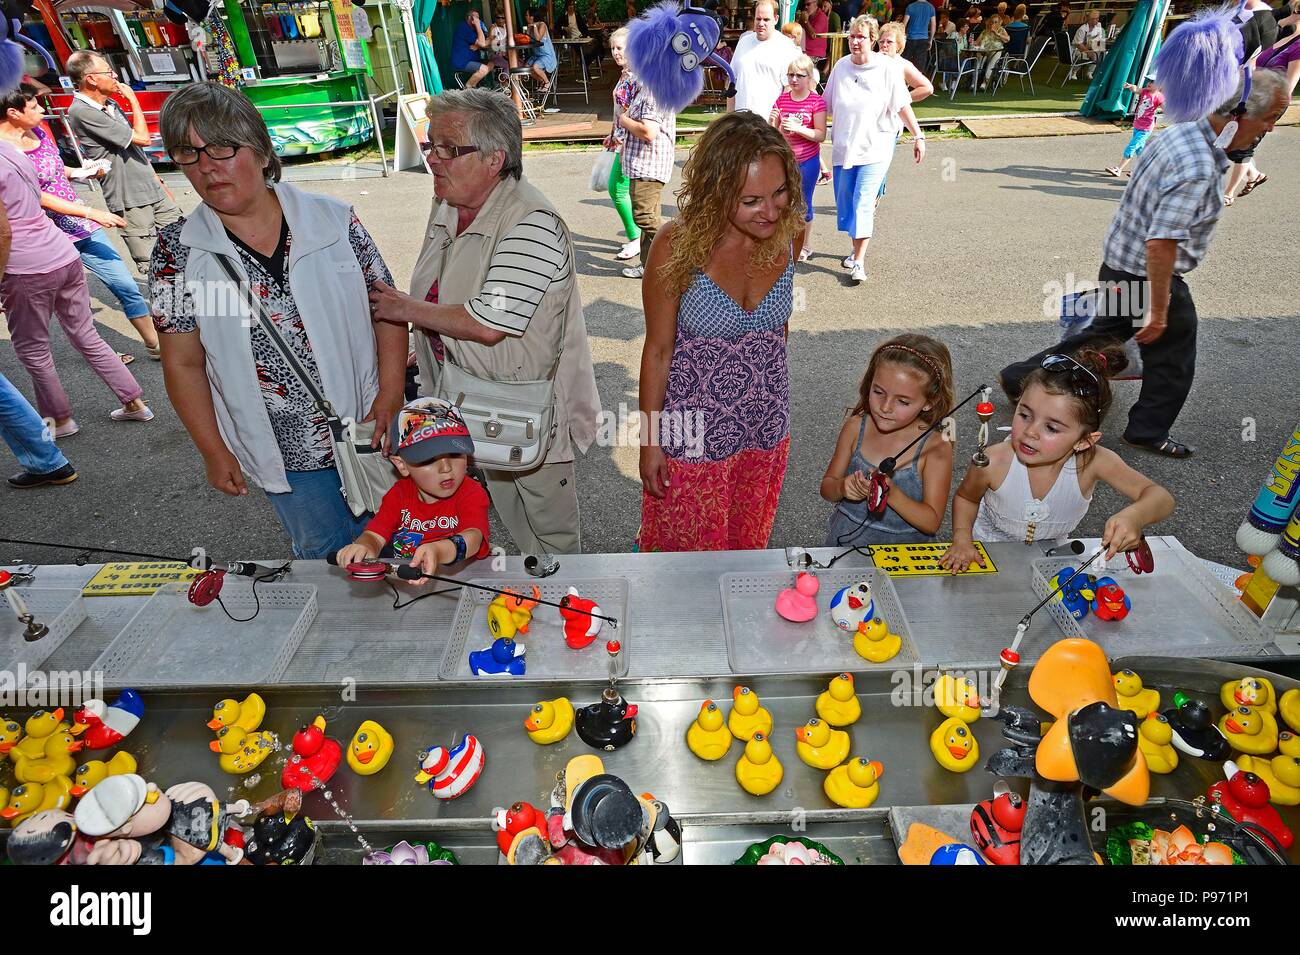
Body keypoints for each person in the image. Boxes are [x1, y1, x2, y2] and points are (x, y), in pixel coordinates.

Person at [149, 82, 406, 559]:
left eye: (222, 147)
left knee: (401, 546)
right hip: (285, 455)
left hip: (369, 427)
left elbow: (387, 310)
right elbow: (182, 363)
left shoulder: (334, 222)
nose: (206, 166)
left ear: (263, 151)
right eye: (188, 153)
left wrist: (391, 395)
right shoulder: (177, 252)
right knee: (328, 563)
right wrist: (212, 449)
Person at [999, 70, 1290, 459]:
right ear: (1239, 114)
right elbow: (1162, 241)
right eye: (1271, 117)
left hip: (1121, 263)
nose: (1271, 128)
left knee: (1100, 336)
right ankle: (1148, 431)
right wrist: (1158, 306)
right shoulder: (1199, 165)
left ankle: (1020, 376)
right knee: (1173, 357)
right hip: (1149, 273)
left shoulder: (1180, 132)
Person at [368, 89, 601, 556]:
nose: (432, 158)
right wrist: (428, 343)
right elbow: (440, 289)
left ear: (495, 159)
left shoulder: (532, 222)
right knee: (514, 524)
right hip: (472, 403)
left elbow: (487, 322)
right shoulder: (450, 203)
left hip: (526, 411)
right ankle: (530, 604)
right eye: (430, 145)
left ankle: (569, 615)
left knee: (553, 540)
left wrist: (404, 309)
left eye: (448, 149)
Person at [637, 112, 803, 552]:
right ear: (716, 191)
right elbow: (657, 351)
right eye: (751, 201)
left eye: (780, 192)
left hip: (764, 426)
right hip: (692, 435)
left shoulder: (790, 233)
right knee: (685, 555)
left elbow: (777, 334)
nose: (770, 212)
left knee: (747, 549)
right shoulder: (676, 245)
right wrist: (650, 443)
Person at [940, 349, 1175, 572]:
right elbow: (966, 498)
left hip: (1050, 562)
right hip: (985, 555)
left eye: (1051, 427)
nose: (1030, 431)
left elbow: (1160, 497)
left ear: (1084, 441)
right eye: (1024, 415)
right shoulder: (994, 460)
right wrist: (962, 540)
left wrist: (1135, 516)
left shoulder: (1092, 462)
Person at [0, 127, 152, 438]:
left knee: (33, 348)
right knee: (86, 334)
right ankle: (134, 402)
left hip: (25, 263)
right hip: (61, 251)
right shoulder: (13, 153)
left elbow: (4, 232)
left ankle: (60, 420)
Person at [0, 84, 159, 362]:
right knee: (76, 307)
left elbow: (55, 167)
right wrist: (90, 213)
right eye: (34, 106)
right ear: (13, 113)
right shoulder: (4, 154)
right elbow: (34, 195)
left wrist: (83, 172)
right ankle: (103, 355)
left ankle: (154, 343)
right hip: (48, 236)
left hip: (82, 226)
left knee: (125, 285)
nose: (42, 110)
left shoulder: (37, 131)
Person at [822, 334, 955, 545]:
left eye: (902, 401)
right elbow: (827, 488)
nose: (885, 407)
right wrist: (842, 488)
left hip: (903, 559)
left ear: (929, 402)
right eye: (878, 392)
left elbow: (931, 522)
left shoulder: (935, 447)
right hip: (844, 546)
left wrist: (889, 494)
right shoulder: (856, 427)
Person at [823, 15, 925, 285]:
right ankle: (854, 247)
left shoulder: (887, 69)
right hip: (844, 147)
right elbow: (824, 105)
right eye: (852, 36)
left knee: (863, 201)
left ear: (872, 40)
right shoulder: (841, 67)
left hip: (876, 146)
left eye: (861, 37)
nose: (856, 41)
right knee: (846, 203)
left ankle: (859, 261)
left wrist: (918, 135)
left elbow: (903, 104)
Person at [334, 398, 490, 576]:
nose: (446, 468)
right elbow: (374, 535)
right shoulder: (399, 494)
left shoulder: (471, 493)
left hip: (462, 581)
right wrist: (363, 547)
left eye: (455, 453)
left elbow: (474, 538)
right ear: (401, 465)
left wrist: (438, 551)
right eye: (429, 459)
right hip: (409, 585)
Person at [64, 51, 182, 273]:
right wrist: (133, 100)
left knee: (181, 244)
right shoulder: (80, 111)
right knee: (152, 260)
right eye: (108, 72)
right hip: (128, 196)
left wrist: (157, 180)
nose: (115, 75)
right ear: (91, 78)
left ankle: (190, 299)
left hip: (151, 187)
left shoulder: (110, 104)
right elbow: (143, 139)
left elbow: (135, 147)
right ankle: (167, 304)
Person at [1225, 1, 1298, 202]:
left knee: (1242, 146)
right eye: (1293, 9)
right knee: (1228, 142)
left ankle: (1228, 193)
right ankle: (1254, 175)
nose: (1292, 13)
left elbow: (1288, 86)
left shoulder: (1299, 46)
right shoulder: (1277, 35)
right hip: (1252, 95)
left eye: (1296, 10)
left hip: (1270, 102)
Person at [615, 59, 676, 280]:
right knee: (649, 216)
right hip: (644, 163)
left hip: (648, 164)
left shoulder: (652, 91)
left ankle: (682, 247)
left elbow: (648, 131)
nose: (627, 62)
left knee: (644, 217)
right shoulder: (648, 87)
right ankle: (650, 267)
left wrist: (624, 121)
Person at [770, 53, 827, 261]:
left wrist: (799, 128)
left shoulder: (816, 102)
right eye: (790, 75)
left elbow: (821, 134)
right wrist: (773, 122)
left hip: (807, 161)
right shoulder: (783, 98)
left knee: (803, 203)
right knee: (782, 201)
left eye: (799, 76)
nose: (793, 80)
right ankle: (783, 241)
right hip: (784, 161)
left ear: (809, 77)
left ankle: (805, 244)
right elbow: (772, 133)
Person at [875, 22, 933, 200]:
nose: (884, 45)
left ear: (899, 45)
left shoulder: (902, 65)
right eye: (881, 41)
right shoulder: (871, 60)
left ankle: (874, 196)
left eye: (889, 42)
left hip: (890, 124)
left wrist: (902, 98)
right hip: (869, 121)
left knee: (879, 163)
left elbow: (927, 88)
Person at [605, 26, 641, 263]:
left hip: (629, 141)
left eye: (620, 48)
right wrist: (611, 132)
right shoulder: (625, 74)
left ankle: (636, 237)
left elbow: (633, 114)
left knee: (617, 189)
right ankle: (637, 235)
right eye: (613, 48)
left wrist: (622, 136)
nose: (616, 52)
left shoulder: (636, 77)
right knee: (621, 189)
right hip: (620, 138)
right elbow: (619, 110)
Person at [728, 1, 799, 116]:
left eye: (766, 19)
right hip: (740, 122)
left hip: (768, 125)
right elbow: (732, 82)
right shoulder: (743, 42)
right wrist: (729, 118)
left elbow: (789, 89)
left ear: (776, 19)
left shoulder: (786, 46)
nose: (761, 23)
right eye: (758, 19)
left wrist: (779, 122)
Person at [1105, 78, 1162, 178]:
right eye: (1149, 81)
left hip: (1146, 129)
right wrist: (1131, 86)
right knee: (1140, 150)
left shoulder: (1159, 97)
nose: (1149, 83)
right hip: (1137, 125)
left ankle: (1118, 169)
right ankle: (1144, 170)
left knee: (1131, 147)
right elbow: (1136, 89)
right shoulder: (1145, 91)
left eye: (1153, 82)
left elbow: (1166, 107)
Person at [451, 9, 492, 88]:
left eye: (478, 18)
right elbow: (483, 43)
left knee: (492, 63)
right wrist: (478, 26)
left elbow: (486, 41)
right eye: (476, 17)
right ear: (470, 18)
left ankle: (474, 84)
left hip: (472, 60)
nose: (478, 20)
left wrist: (479, 45)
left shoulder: (473, 29)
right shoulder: (463, 27)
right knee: (484, 69)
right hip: (462, 62)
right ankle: (468, 87)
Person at [524, 7, 559, 92]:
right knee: (526, 68)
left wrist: (534, 26)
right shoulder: (529, 27)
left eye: (526, 15)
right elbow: (527, 40)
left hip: (546, 55)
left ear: (532, 17)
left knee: (535, 67)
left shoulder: (542, 25)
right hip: (537, 55)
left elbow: (538, 38)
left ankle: (547, 82)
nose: (525, 17)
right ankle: (542, 81)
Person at [902, 0, 936, 74]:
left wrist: (902, 36)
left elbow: (904, 24)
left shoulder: (910, 6)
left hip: (910, 38)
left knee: (904, 62)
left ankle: (903, 82)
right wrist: (930, 39)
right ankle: (915, 84)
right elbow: (933, 24)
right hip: (923, 39)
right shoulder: (931, 7)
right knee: (919, 66)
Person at [975, 13, 1009, 88]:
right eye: (992, 22)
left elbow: (1007, 39)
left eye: (996, 22)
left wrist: (997, 34)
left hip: (996, 51)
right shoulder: (985, 31)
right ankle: (974, 80)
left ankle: (985, 81)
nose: (993, 24)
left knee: (992, 61)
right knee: (978, 56)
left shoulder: (1001, 30)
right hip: (984, 51)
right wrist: (976, 44)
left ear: (999, 23)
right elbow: (977, 42)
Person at [1073, 9, 1105, 79]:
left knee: (1100, 52)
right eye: (1094, 19)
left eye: (1097, 18)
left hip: (1091, 48)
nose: (1096, 20)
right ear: (1089, 19)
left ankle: (1090, 72)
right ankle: (1074, 72)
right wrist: (1088, 52)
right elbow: (1079, 44)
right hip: (1078, 49)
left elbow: (1100, 38)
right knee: (1083, 55)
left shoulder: (1098, 27)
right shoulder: (1082, 29)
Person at [806, 0, 830, 67]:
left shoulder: (821, 17)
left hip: (814, 53)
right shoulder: (809, 16)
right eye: (804, 5)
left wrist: (805, 21)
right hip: (805, 51)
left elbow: (813, 35)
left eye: (808, 4)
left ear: (815, 4)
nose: (806, 7)